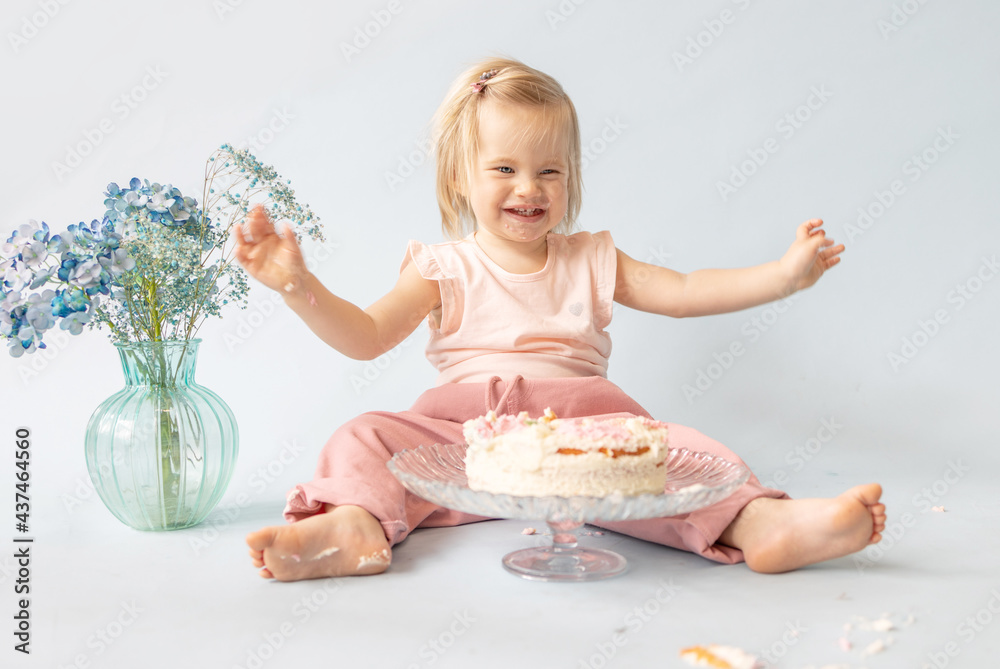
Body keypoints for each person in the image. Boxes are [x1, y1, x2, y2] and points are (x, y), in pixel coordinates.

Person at [236, 57, 885, 581]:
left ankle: (763, 524)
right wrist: (299, 286)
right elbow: (366, 336)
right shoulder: (441, 267)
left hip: (588, 433)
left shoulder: (592, 257)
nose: (530, 188)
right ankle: (354, 527)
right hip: (466, 438)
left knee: (685, 452)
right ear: (459, 178)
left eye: (550, 170)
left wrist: (782, 276)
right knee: (363, 435)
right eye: (505, 169)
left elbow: (686, 290)